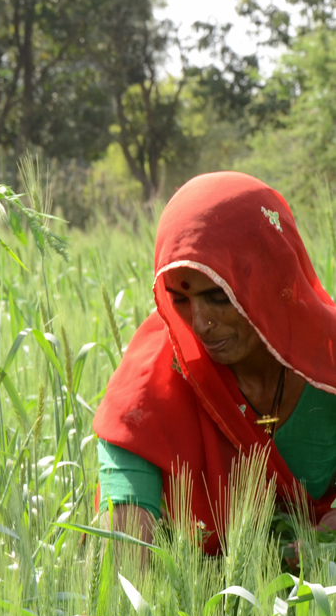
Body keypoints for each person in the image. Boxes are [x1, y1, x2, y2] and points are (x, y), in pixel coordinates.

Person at [93, 171, 336, 554]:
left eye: (219, 297)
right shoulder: (145, 395)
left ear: (271, 279)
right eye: (181, 300)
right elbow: (125, 561)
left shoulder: (330, 362)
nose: (201, 323)